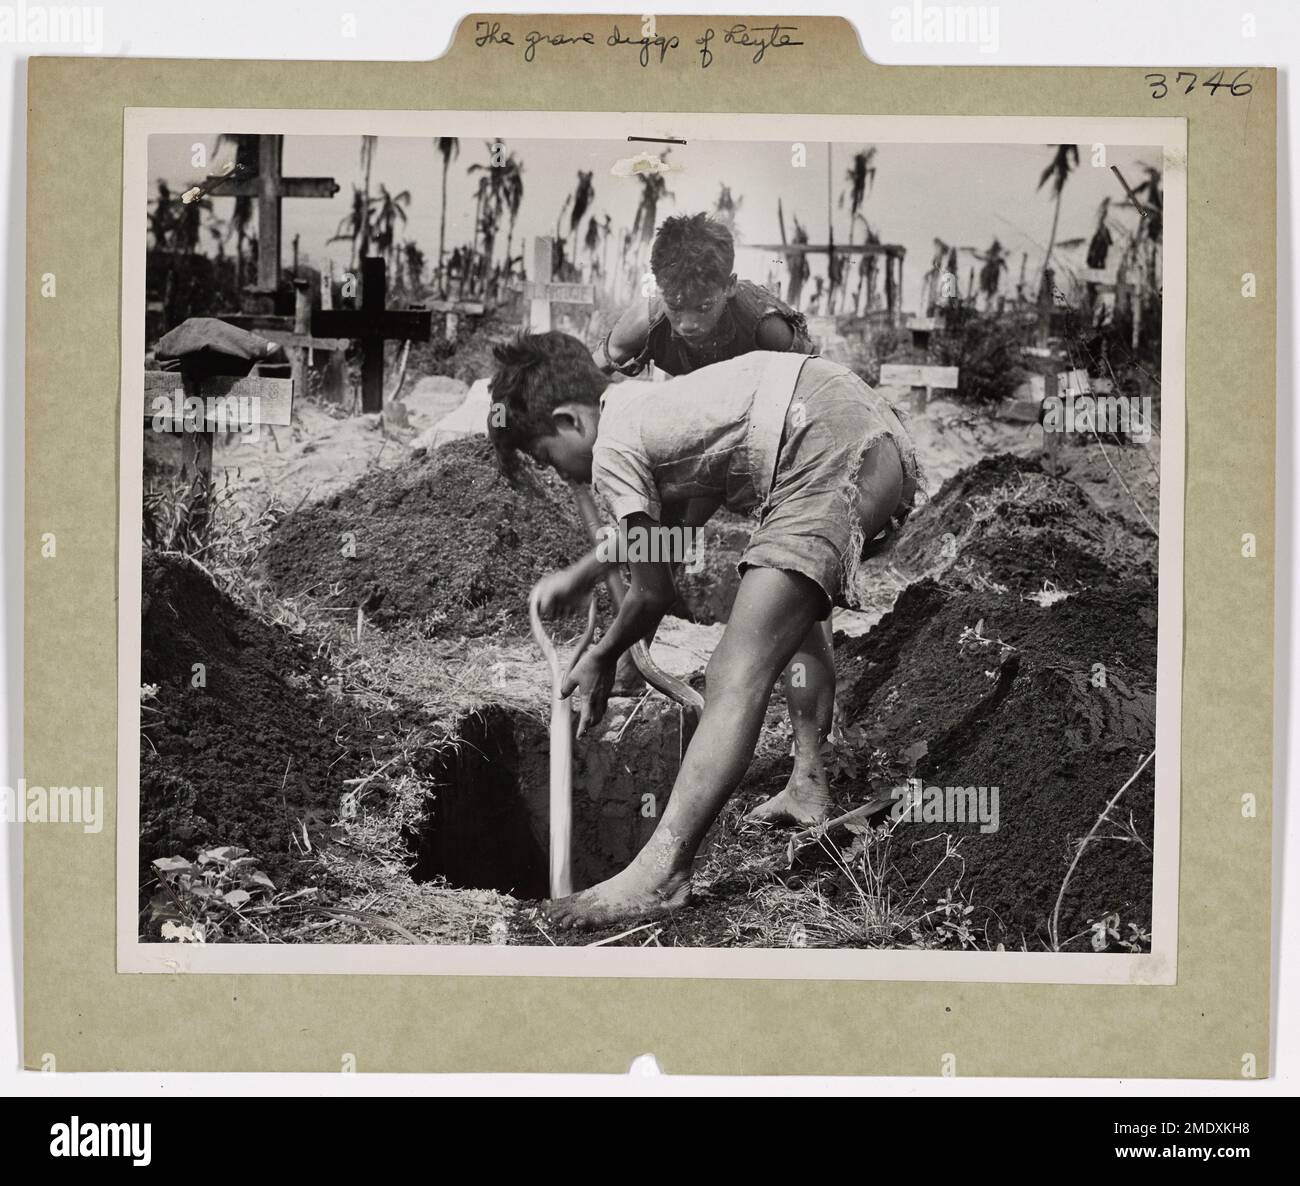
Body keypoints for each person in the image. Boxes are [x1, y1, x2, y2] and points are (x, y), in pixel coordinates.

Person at [489, 332, 922, 929]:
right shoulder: (647, 409)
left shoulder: (613, 449)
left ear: (569, 421)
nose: (560, 477)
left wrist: (602, 653)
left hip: (822, 444)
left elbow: (653, 591)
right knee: (792, 622)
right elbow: (663, 541)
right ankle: (809, 784)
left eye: (546, 458)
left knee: (732, 671)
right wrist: (582, 576)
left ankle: (660, 874)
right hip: (862, 427)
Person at [595, 212, 811, 378]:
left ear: (729, 287)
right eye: (676, 307)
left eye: (704, 307)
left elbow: (815, 383)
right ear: (659, 289)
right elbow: (584, 379)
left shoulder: (764, 325)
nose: (688, 325)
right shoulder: (645, 321)